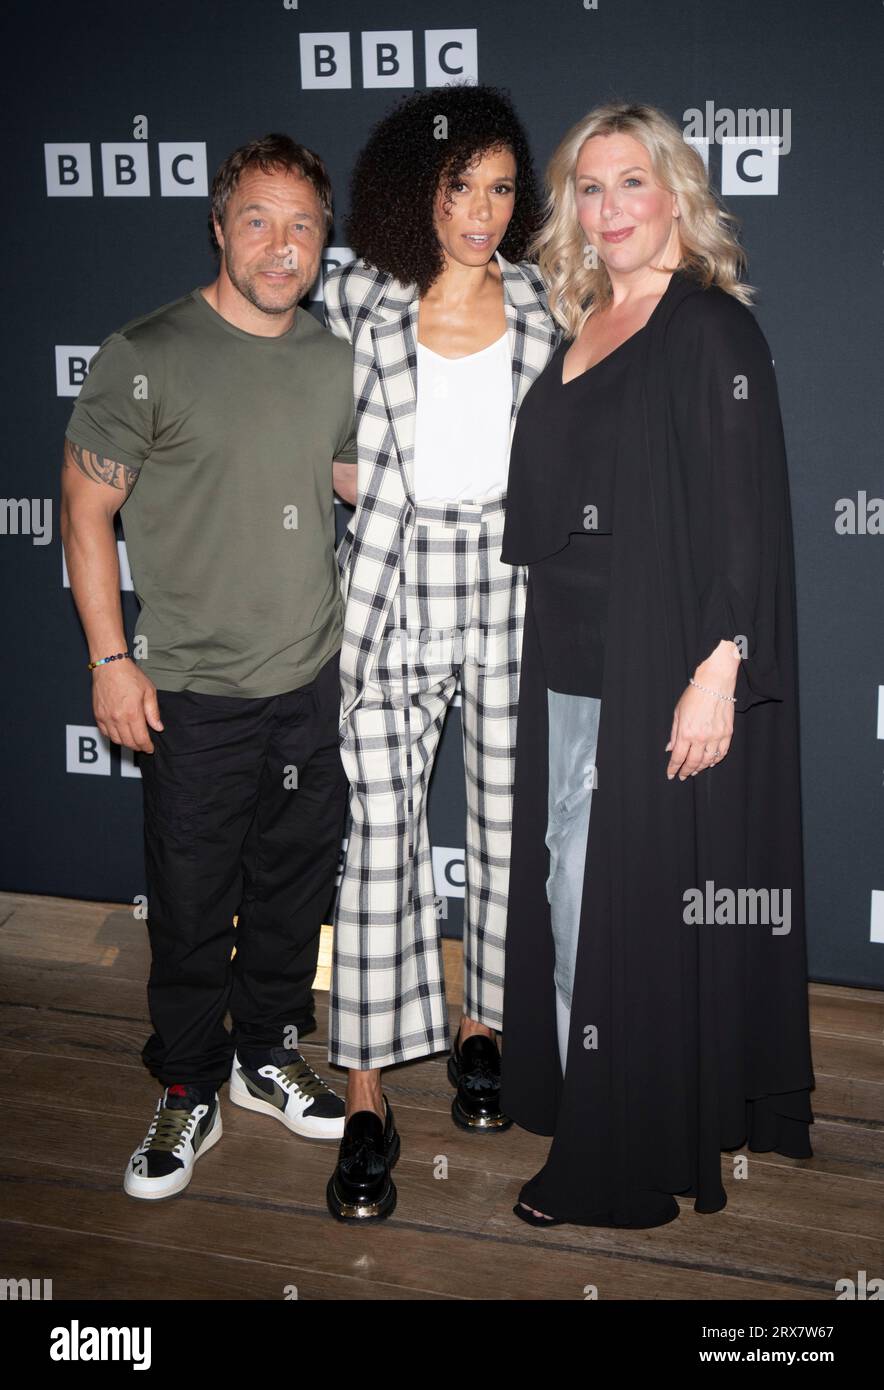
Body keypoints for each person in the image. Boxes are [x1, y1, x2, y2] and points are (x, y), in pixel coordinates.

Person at [499, 102, 815, 1229]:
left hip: (655, 663)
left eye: (629, 182)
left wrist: (717, 666)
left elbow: (745, 521)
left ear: (674, 194)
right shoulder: (583, 322)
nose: (606, 207)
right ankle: (595, 1095)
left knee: (608, 900)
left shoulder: (709, 331)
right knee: (566, 888)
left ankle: (619, 1157)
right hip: (569, 663)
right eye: (587, 188)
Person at [60, 134, 358, 1201]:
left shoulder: (333, 356)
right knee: (189, 906)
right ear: (219, 226)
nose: (283, 246)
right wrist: (109, 658)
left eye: (304, 226)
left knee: (290, 888)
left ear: (324, 240)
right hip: (189, 692)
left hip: (310, 683)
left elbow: (340, 471)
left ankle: (264, 1050)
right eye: (259, 220)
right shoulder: (147, 355)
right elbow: (86, 510)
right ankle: (187, 1086)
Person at [322, 85, 559, 1221]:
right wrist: (329, 473)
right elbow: (281, 403)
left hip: (511, 583)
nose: (479, 209)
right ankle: (365, 1090)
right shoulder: (355, 291)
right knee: (378, 837)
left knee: (510, 823)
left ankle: (485, 1027)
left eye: (500, 187)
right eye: (458, 185)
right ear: (414, 190)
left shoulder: (545, 297)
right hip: (391, 580)